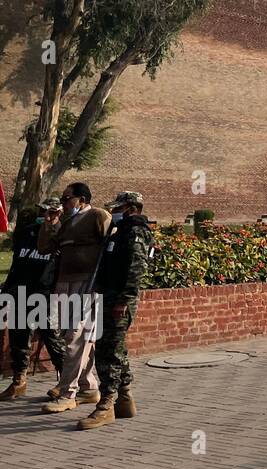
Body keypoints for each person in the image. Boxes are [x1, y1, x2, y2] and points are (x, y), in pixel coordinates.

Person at [78, 191, 154, 430]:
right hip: (108, 298)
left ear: (132, 208)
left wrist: (124, 300)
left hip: (119, 302)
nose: (114, 213)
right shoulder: (120, 232)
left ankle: (106, 405)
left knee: (107, 352)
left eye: (118, 209)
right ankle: (124, 398)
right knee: (116, 349)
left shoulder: (136, 233)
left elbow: (135, 270)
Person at [38, 182, 110, 413]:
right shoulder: (67, 223)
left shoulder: (98, 216)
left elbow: (111, 246)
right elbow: (44, 248)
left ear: (82, 199)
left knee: (75, 337)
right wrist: (50, 223)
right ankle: (88, 387)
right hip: (65, 284)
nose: (64, 202)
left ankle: (67, 392)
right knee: (81, 338)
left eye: (67, 197)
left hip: (87, 285)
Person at [0, 200, 63, 400]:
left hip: (45, 293)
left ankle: (66, 383)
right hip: (21, 291)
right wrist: (8, 288)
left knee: (52, 337)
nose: (45, 215)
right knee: (19, 338)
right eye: (42, 211)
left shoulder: (63, 235)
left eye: (51, 212)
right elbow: (18, 262)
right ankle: (19, 380)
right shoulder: (27, 232)